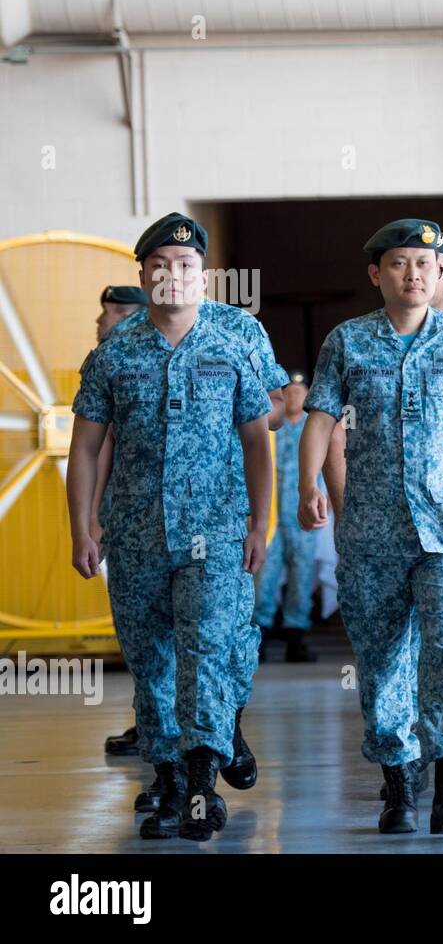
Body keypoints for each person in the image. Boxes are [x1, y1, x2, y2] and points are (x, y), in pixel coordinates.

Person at [297, 219, 443, 836]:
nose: (411, 273)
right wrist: (309, 484)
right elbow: (321, 418)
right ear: (376, 274)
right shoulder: (347, 342)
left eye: (424, 263)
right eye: (398, 263)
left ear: (442, 275)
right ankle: (398, 788)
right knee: (382, 658)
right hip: (371, 531)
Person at [67, 213, 273, 842]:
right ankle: (167, 775)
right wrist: (83, 527)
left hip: (217, 530)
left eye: (185, 267)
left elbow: (258, 440)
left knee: (209, 646)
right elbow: (85, 448)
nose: (173, 277)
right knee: (150, 658)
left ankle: (201, 782)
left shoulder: (240, 336)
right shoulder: (114, 353)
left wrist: (260, 524)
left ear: (204, 276)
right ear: (144, 276)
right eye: (160, 268)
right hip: (134, 534)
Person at [93, 285, 150, 760]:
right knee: (136, 630)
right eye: (103, 313)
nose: (103, 322)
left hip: (175, 517)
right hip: (123, 517)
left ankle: (208, 733)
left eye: (116, 313)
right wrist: (91, 519)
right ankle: (148, 723)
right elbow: (97, 448)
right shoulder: (106, 364)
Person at [252, 369, 321, 663]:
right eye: (288, 392)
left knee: (301, 574)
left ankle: (296, 635)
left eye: (299, 392)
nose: (293, 396)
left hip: (301, 513)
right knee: (263, 574)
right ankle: (260, 635)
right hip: (270, 514)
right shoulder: (270, 425)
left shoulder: (313, 425)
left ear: (307, 396)